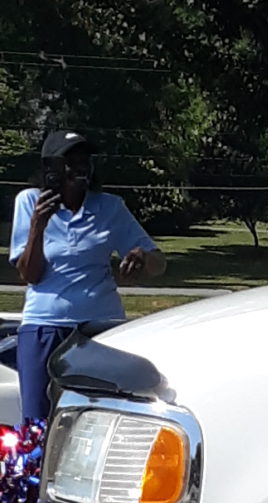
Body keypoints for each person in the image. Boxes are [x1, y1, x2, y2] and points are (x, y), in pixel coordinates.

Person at [10, 132, 164, 417]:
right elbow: (30, 275)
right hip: (45, 326)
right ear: (51, 168)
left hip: (100, 328)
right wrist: (37, 227)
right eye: (71, 162)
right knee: (37, 420)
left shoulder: (109, 206)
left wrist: (142, 259)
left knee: (99, 415)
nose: (80, 168)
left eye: (85, 161)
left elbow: (159, 262)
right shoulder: (29, 202)